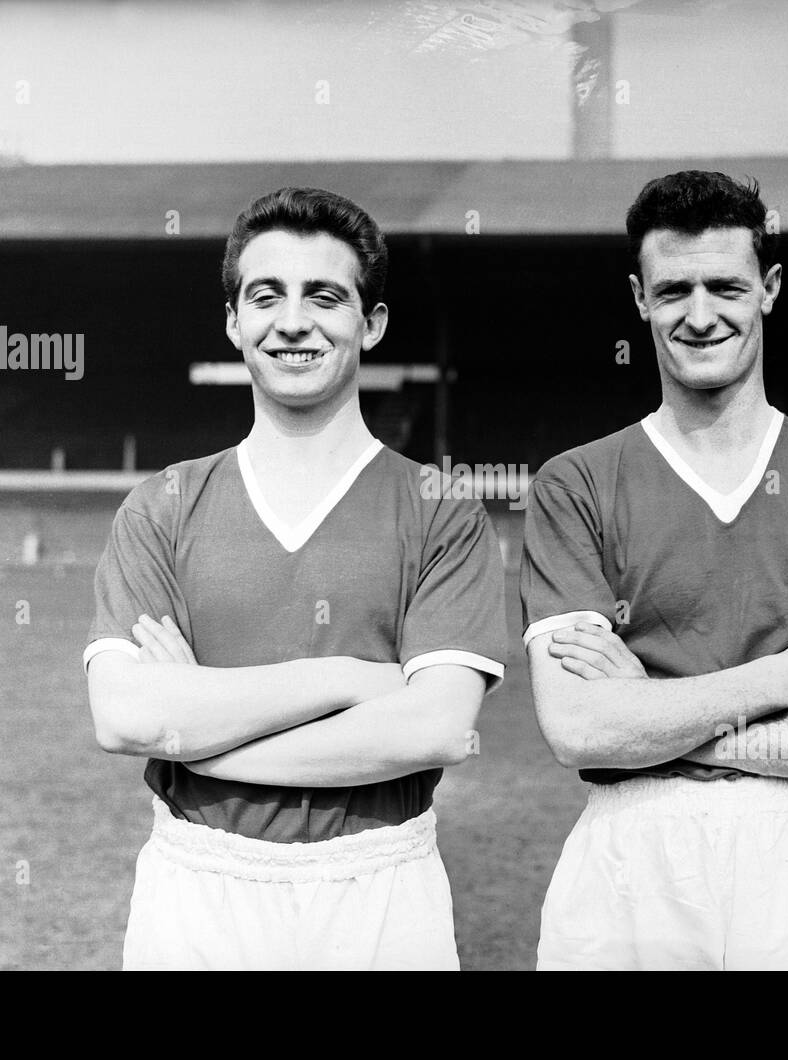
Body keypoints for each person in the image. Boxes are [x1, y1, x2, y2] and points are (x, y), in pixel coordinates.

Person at [84, 186, 506, 970]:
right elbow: (125, 715)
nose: (293, 322)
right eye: (265, 296)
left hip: (379, 889)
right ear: (233, 321)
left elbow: (436, 728)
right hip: (198, 890)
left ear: (370, 322)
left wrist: (202, 741)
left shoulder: (439, 509)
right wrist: (346, 678)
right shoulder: (164, 505)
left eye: (325, 296)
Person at [520, 170, 788, 970]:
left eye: (726, 287)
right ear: (639, 298)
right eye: (673, 289)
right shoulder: (575, 483)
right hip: (631, 858)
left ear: (769, 288)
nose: (700, 315)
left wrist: (650, 716)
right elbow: (579, 729)